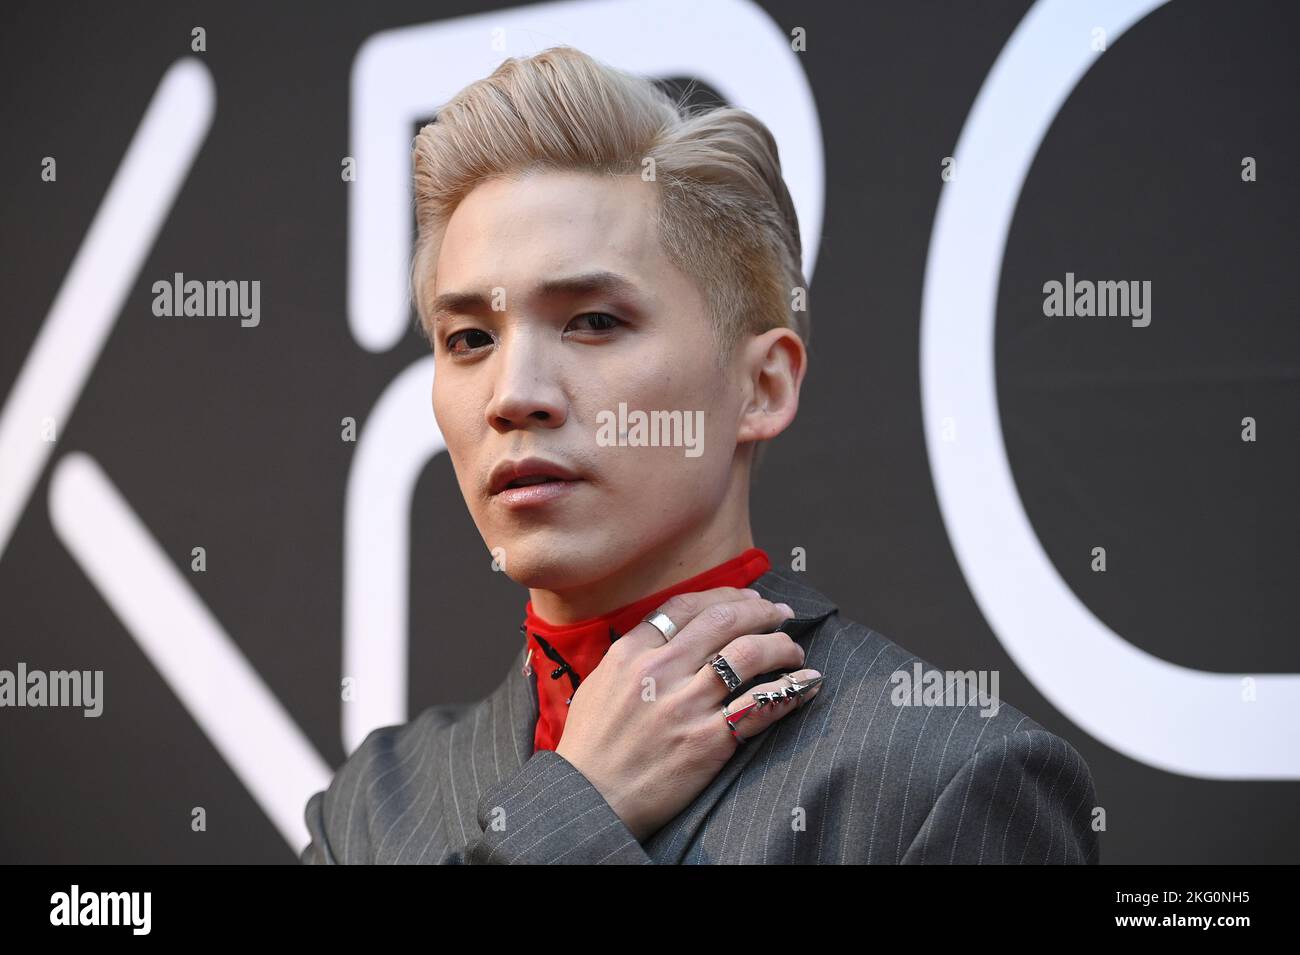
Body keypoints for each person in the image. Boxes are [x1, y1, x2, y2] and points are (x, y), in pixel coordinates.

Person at [299, 45, 1098, 864]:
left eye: (594, 322)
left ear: (762, 386)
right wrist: (576, 806)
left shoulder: (941, 781)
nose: (514, 394)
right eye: (469, 338)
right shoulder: (372, 807)